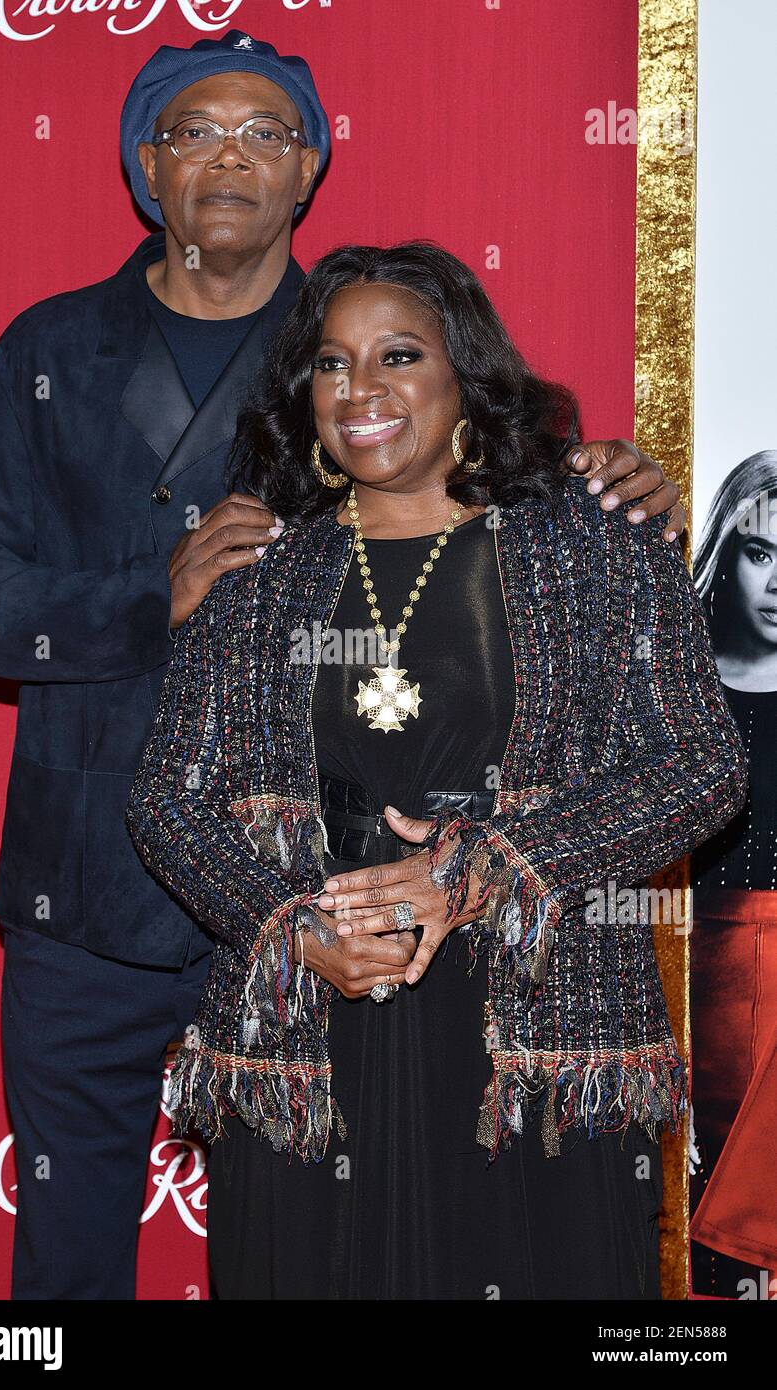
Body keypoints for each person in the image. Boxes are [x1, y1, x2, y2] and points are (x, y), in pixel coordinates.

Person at [0, 30, 685, 1301]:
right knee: (65, 1261)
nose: (229, 156)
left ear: (309, 167)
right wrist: (146, 599)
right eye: (193, 131)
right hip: (93, 880)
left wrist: (618, 481)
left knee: (345, 1241)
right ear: (142, 165)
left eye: (265, 133)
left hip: (338, 890)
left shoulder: (360, 340)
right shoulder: (47, 348)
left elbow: (493, 481)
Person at [126, 241, 748, 1300]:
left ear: (463, 377)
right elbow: (166, 798)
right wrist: (293, 928)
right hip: (317, 1016)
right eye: (329, 364)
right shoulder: (256, 569)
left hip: (537, 1018)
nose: (358, 390)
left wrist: (478, 874)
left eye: (397, 356)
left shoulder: (594, 543)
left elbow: (700, 764)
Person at [688, 452, 777, 1297]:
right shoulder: (671, 684)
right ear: (727, 547)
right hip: (686, 962)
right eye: (763, 552)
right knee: (694, 1216)